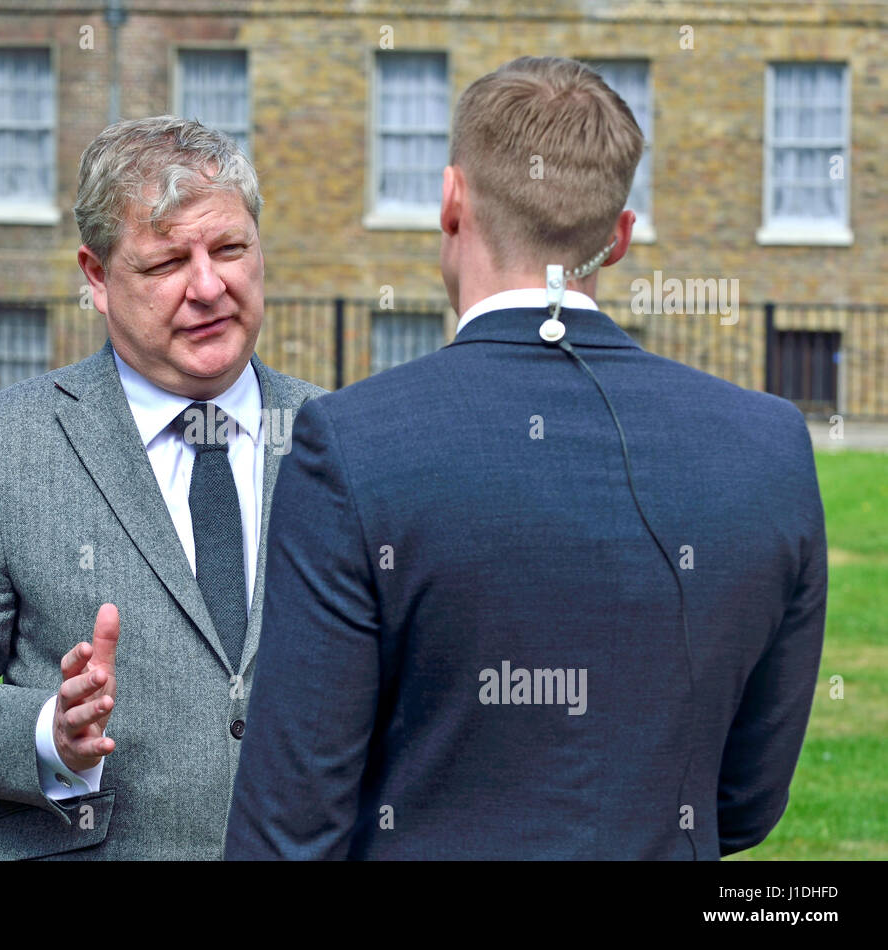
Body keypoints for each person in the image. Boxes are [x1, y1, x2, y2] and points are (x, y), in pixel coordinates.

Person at [224, 57, 826, 860]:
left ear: (451, 203)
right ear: (618, 239)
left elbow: (289, 831)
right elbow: (745, 801)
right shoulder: (770, 446)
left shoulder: (354, 444)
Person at [0, 116, 324, 860]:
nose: (208, 286)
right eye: (165, 264)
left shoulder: (334, 437)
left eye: (231, 250)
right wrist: (49, 732)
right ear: (96, 277)